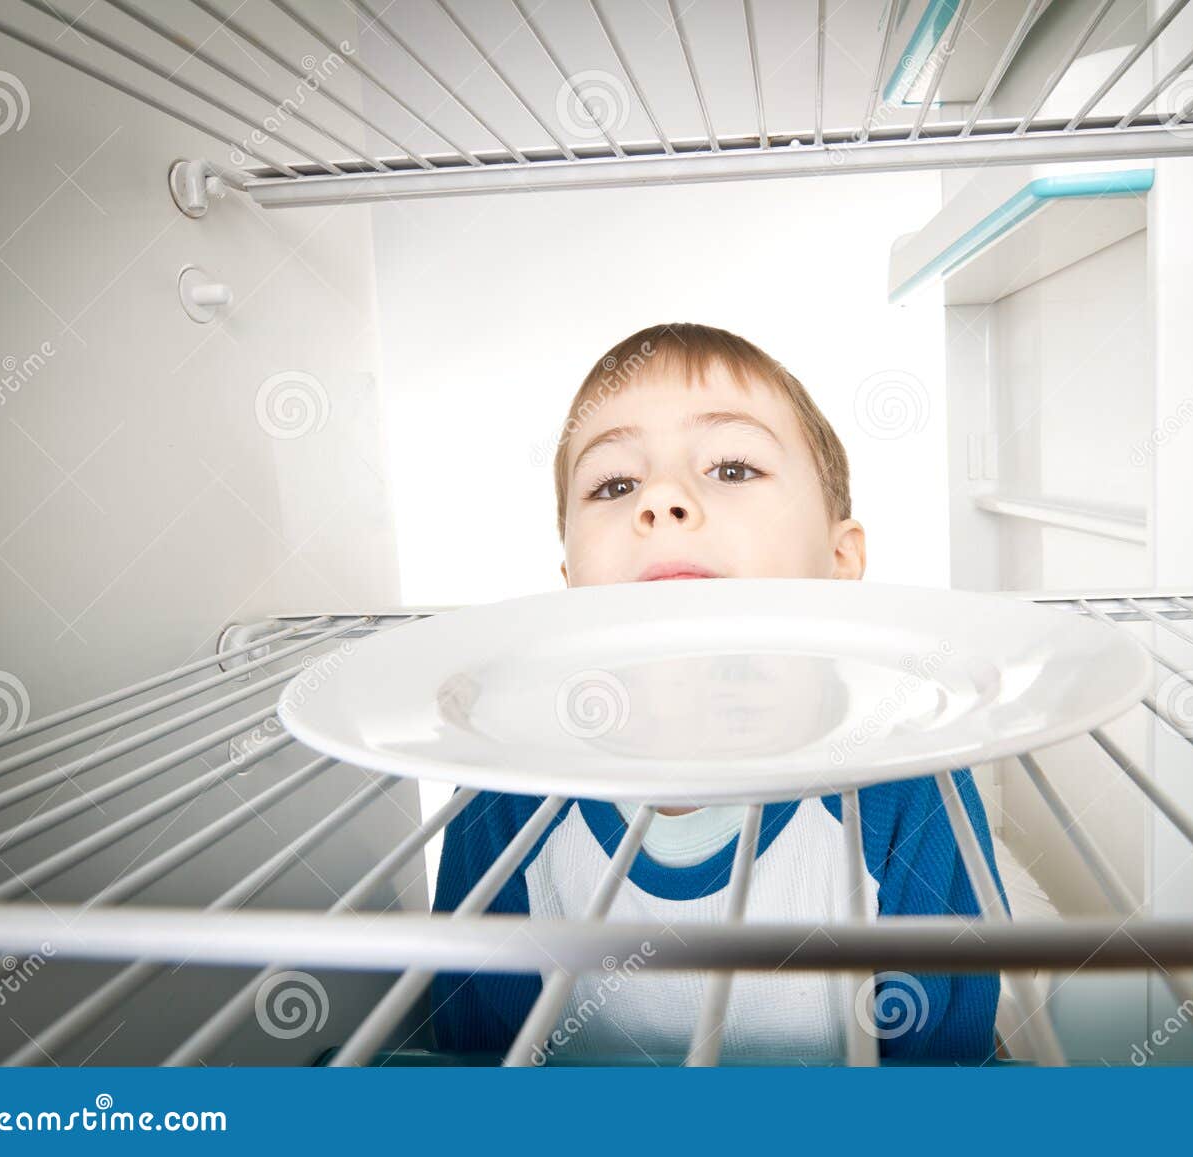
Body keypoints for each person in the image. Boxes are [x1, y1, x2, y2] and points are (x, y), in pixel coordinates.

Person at [429, 322, 1010, 1064]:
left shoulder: (908, 784)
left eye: (732, 469)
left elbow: (946, 1079)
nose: (662, 499)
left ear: (840, 560)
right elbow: (479, 1073)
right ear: (570, 585)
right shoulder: (502, 791)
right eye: (614, 484)